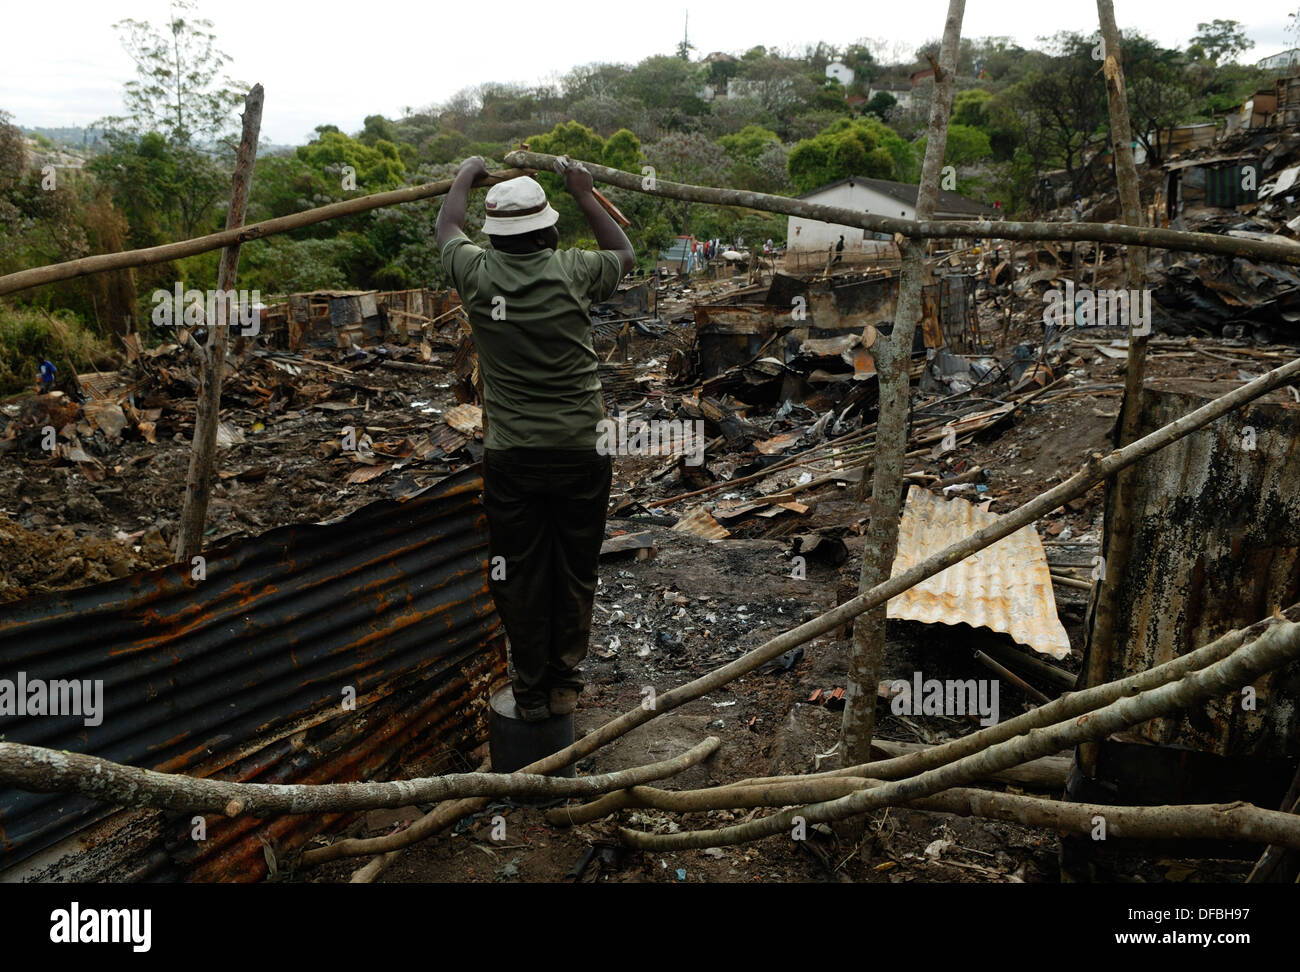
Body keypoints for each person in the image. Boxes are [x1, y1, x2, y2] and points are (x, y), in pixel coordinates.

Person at [436, 156, 636, 723]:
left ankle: (529, 690)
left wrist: (465, 174)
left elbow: (448, 227)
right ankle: (564, 681)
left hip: (514, 459)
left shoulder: (476, 272)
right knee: (575, 566)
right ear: (548, 229)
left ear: (495, 234)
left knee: (519, 573)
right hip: (581, 451)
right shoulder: (574, 271)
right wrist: (585, 194)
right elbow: (624, 255)